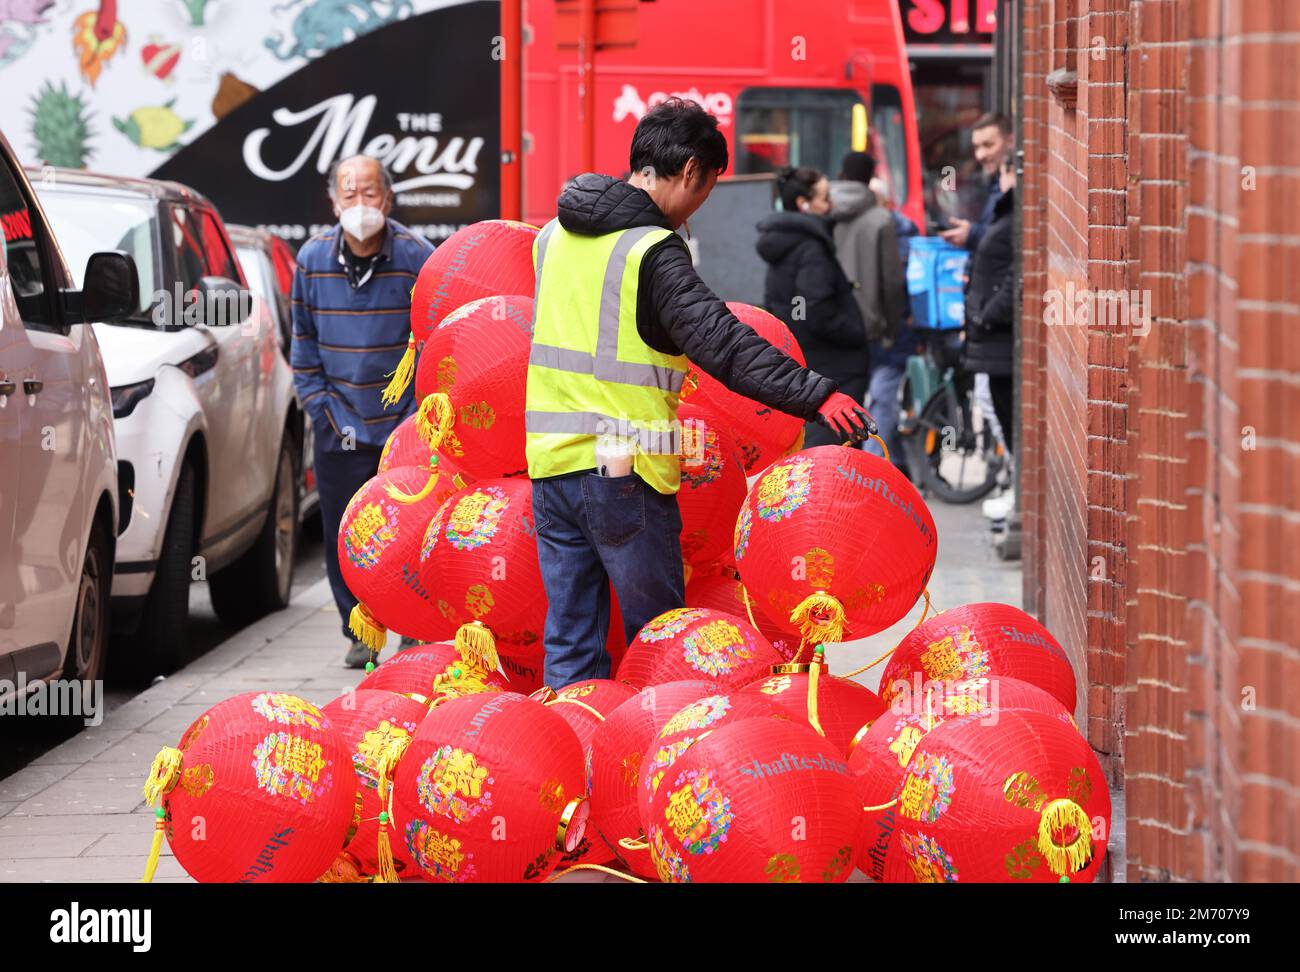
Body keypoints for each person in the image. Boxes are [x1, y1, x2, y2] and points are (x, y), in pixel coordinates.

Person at [526, 98, 871, 689]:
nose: (696, 212)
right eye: (705, 191)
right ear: (689, 171)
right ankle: (655, 771)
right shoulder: (651, 252)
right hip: (622, 478)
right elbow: (723, 344)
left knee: (571, 644)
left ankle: (582, 757)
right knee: (662, 646)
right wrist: (815, 395)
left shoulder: (552, 236)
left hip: (549, 470)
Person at [291, 155, 434, 668]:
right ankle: (361, 632)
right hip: (339, 426)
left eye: (369, 193)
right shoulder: (310, 260)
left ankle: (414, 629)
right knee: (345, 535)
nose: (359, 205)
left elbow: (433, 346)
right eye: (348, 195)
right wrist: (323, 411)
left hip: (405, 429)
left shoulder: (418, 257)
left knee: (411, 532)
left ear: (388, 198)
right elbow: (303, 349)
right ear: (333, 202)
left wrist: (413, 422)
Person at [756, 165, 870, 448]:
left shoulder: (785, 243)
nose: (831, 205)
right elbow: (816, 308)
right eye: (825, 197)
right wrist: (856, 333)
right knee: (834, 451)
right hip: (835, 364)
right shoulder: (811, 247)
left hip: (803, 358)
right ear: (803, 204)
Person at [827, 152, 910, 470]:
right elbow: (891, 281)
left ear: (841, 173)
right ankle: (869, 469)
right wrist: (891, 327)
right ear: (871, 178)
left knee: (838, 401)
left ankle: (836, 467)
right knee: (876, 398)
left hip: (833, 325)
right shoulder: (880, 219)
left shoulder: (825, 213)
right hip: (870, 326)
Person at [961, 156, 1017, 521]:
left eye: (1005, 173)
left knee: (1005, 411)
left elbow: (1016, 276)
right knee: (996, 406)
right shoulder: (1004, 210)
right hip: (992, 337)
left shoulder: (1014, 213)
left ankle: (1017, 490)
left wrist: (985, 314)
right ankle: (1016, 487)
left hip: (998, 336)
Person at [940, 112, 1015, 253]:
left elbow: (1011, 240)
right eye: (976, 147)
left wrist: (972, 234)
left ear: (1010, 141)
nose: (980, 155)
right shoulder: (993, 182)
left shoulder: (1014, 186)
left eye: (988, 145)